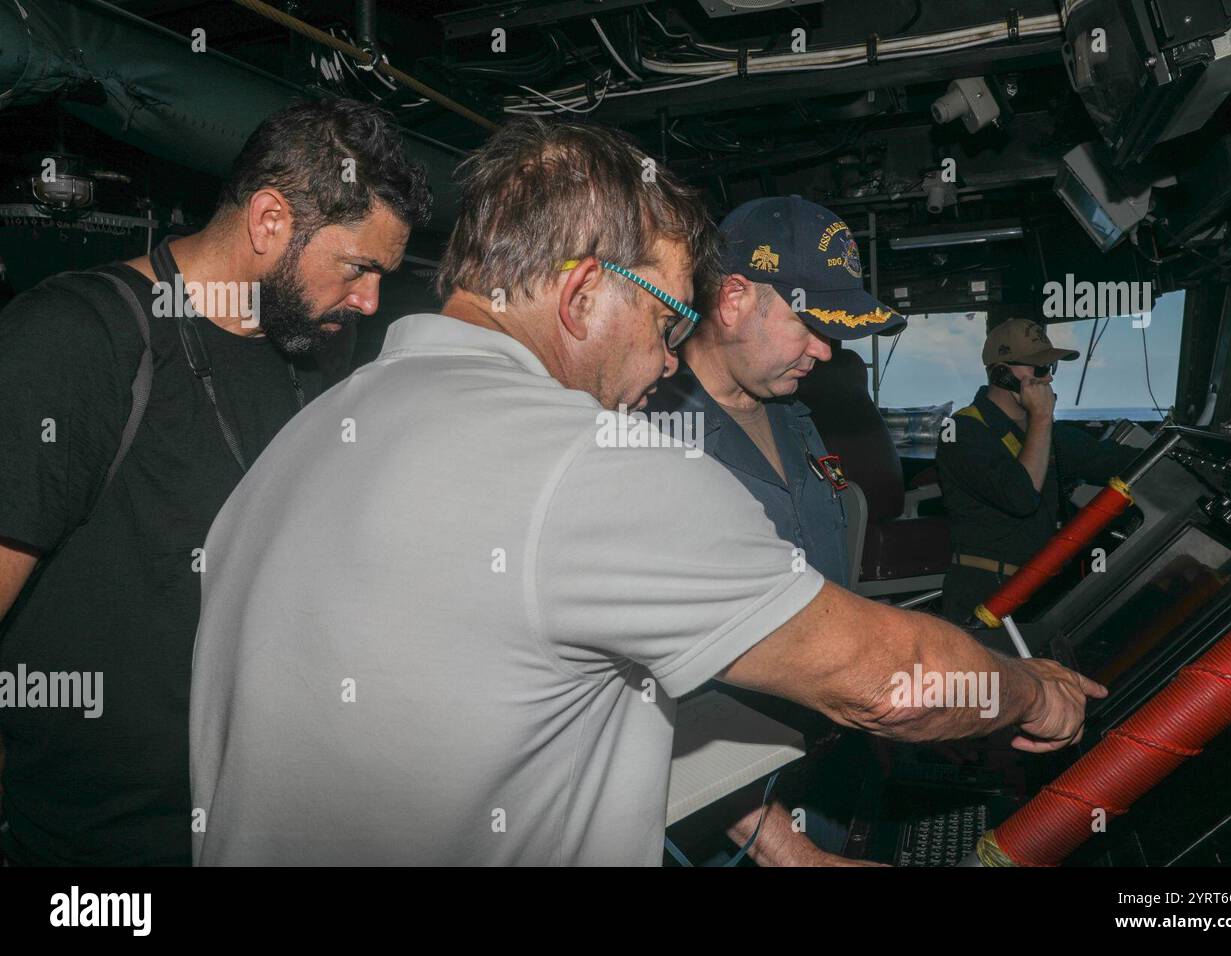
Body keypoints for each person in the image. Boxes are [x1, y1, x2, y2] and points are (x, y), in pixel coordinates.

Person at [189, 116, 1104, 867]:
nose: (669, 359)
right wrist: (1030, 694)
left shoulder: (304, 438)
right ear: (585, 293)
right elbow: (887, 684)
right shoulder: (591, 462)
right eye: (667, 319)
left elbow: (513, 707)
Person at [0, 97, 430, 865]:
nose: (369, 300)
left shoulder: (317, 346)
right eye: (359, 267)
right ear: (269, 220)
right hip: (102, 856)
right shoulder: (74, 341)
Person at [645, 195, 905, 865]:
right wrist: (783, 849)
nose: (825, 350)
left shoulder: (793, 415)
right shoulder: (644, 434)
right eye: (809, 324)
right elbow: (649, 686)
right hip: (722, 802)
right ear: (734, 299)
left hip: (818, 756)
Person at [936, 318, 1140, 636]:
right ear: (1001, 373)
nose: (1047, 380)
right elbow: (1021, 496)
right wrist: (1042, 417)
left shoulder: (1050, 434)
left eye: (1049, 369)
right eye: (1038, 370)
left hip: (1042, 592)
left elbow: (1116, 462)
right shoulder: (962, 432)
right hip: (987, 597)